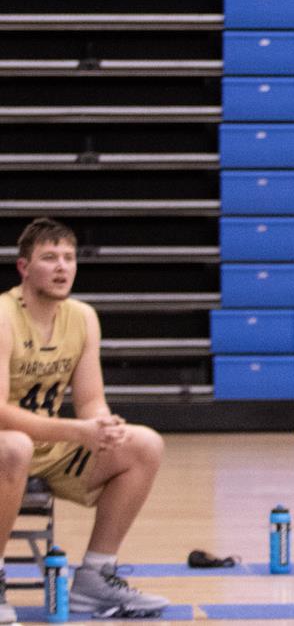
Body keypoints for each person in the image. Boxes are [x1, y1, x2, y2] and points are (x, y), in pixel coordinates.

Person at [0, 218, 168, 618]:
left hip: (51, 446)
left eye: (69, 258)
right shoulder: (3, 316)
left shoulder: (83, 318)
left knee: (143, 444)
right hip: (8, 444)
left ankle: (95, 576)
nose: (62, 267)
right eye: (49, 258)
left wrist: (104, 427)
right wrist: (75, 429)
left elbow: (91, 400)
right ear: (24, 267)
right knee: (15, 446)